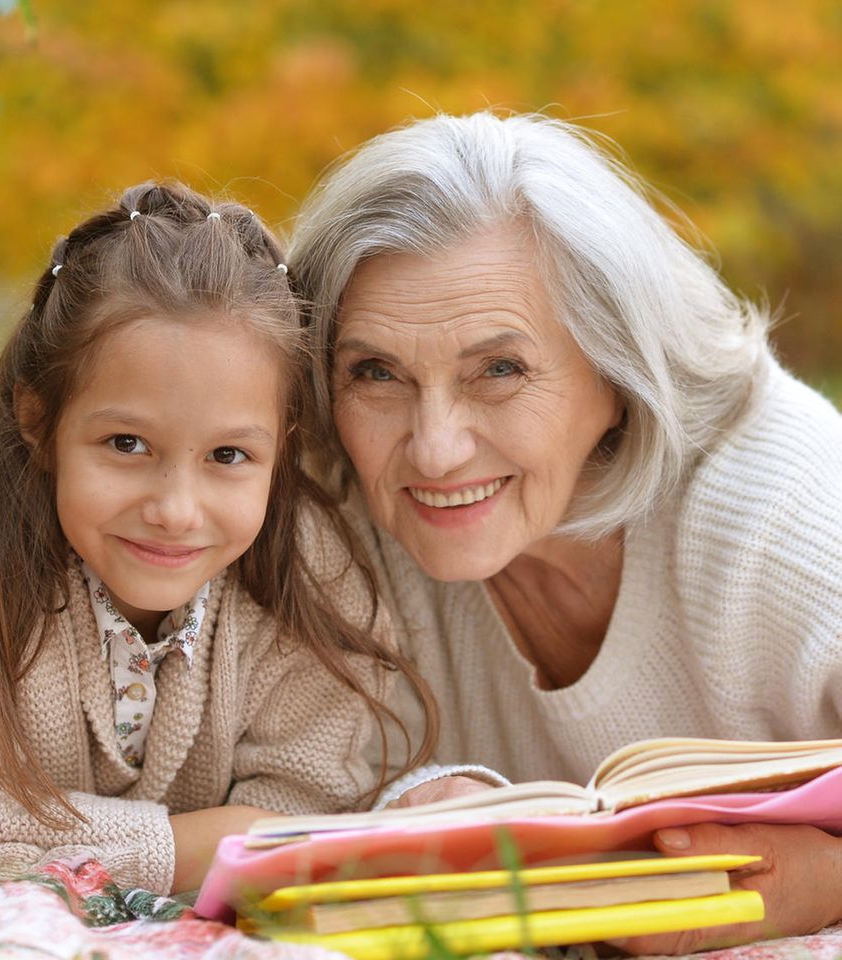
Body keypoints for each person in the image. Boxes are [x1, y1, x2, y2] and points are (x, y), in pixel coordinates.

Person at [288, 111, 842, 952]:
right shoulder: (334, 525)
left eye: (499, 370)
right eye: (376, 373)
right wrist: (415, 805)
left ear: (616, 369)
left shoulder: (783, 502)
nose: (434, 448)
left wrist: (818, 883)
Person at [0, 181, 434, 901]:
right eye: (127, 443)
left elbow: (310, 816)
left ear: (283, 447)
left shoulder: (307, 570)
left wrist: (85, 850)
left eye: (229, 456)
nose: (176, 510)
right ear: (37, 418)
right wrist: (194, 845)